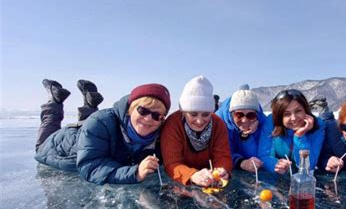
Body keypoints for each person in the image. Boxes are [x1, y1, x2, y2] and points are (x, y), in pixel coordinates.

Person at [35, 79, 171, 185]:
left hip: (92, 129)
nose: (148, 118)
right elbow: (90, 166)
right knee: (48, 127)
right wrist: (135, 173)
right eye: (143, 110)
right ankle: (54, 99)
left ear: (162, 119)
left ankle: (90, 104)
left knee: (94, 122)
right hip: (60, 146)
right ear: (131, 109)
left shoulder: (160, 135)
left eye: (156, 115)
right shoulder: (100, 122)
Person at [160, 75, 233, 187]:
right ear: (183, 111)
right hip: (180, 181)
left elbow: (223, 156)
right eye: (193, 114)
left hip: (209, 178)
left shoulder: (218, 124)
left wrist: (223, 170)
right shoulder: (173, 124)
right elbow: (172, 163)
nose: (199, 121)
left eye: (206, 114)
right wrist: (192, 175)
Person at [258, 89, 326, 175]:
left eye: (298, 111)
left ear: (305, 110)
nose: (293, 118)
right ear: (279, 116)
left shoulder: (318, 126)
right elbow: (264, 155)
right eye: (287, 114)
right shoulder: (271, 123)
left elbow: (309, 166)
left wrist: (300, 136)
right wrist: (276, 165)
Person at [216, 84, 266, 172]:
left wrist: (246, 136)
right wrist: (241, 162)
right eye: (239, 115)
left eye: (251, 115)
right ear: (231, 114)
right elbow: (221, 154)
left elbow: (259, 154)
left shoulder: (262, 122)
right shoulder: (219, 122)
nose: (244, 120)